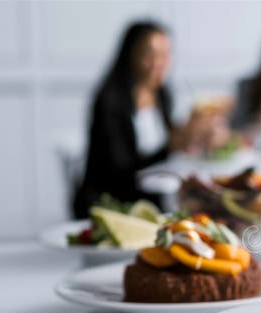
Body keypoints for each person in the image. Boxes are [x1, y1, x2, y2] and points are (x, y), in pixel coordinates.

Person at [73, 21, 180, 218]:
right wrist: (173, 146)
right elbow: (121, 171)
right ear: (130, 54)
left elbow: (169, 147)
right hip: (112, 201)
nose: (158, 62)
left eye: (164, 55)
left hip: (152, 198)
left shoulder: (163, 95)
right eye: (149, 54)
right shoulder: (110, 100)